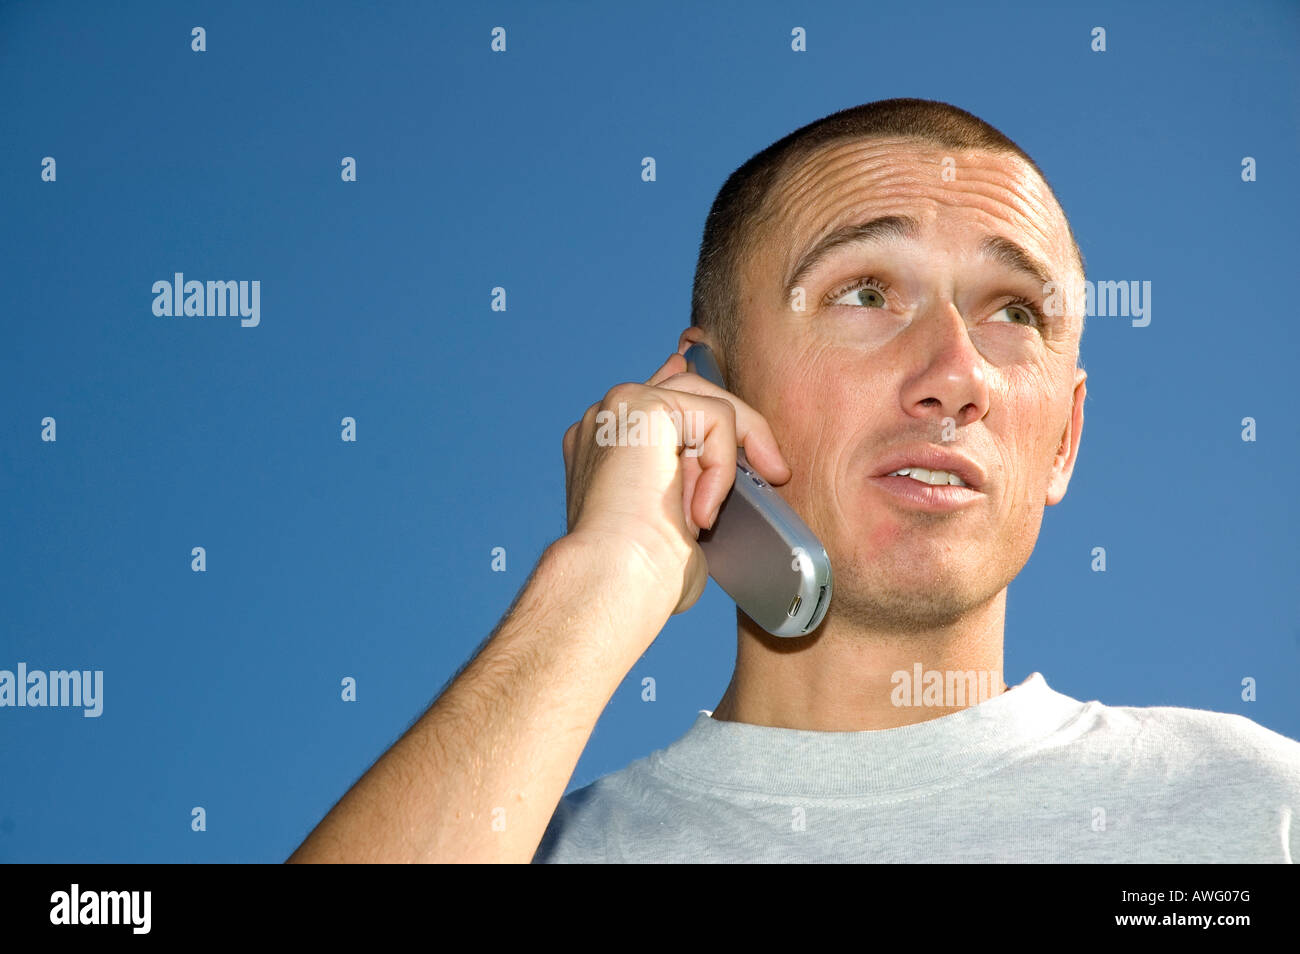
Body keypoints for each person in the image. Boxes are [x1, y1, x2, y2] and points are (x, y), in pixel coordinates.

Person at [288, 98, 1300, 864]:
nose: (956, 375)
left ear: (1065, 438)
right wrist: (604, 575)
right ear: (706, 390)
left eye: (1014, 313)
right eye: (867, 291)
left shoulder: (1258, 810)